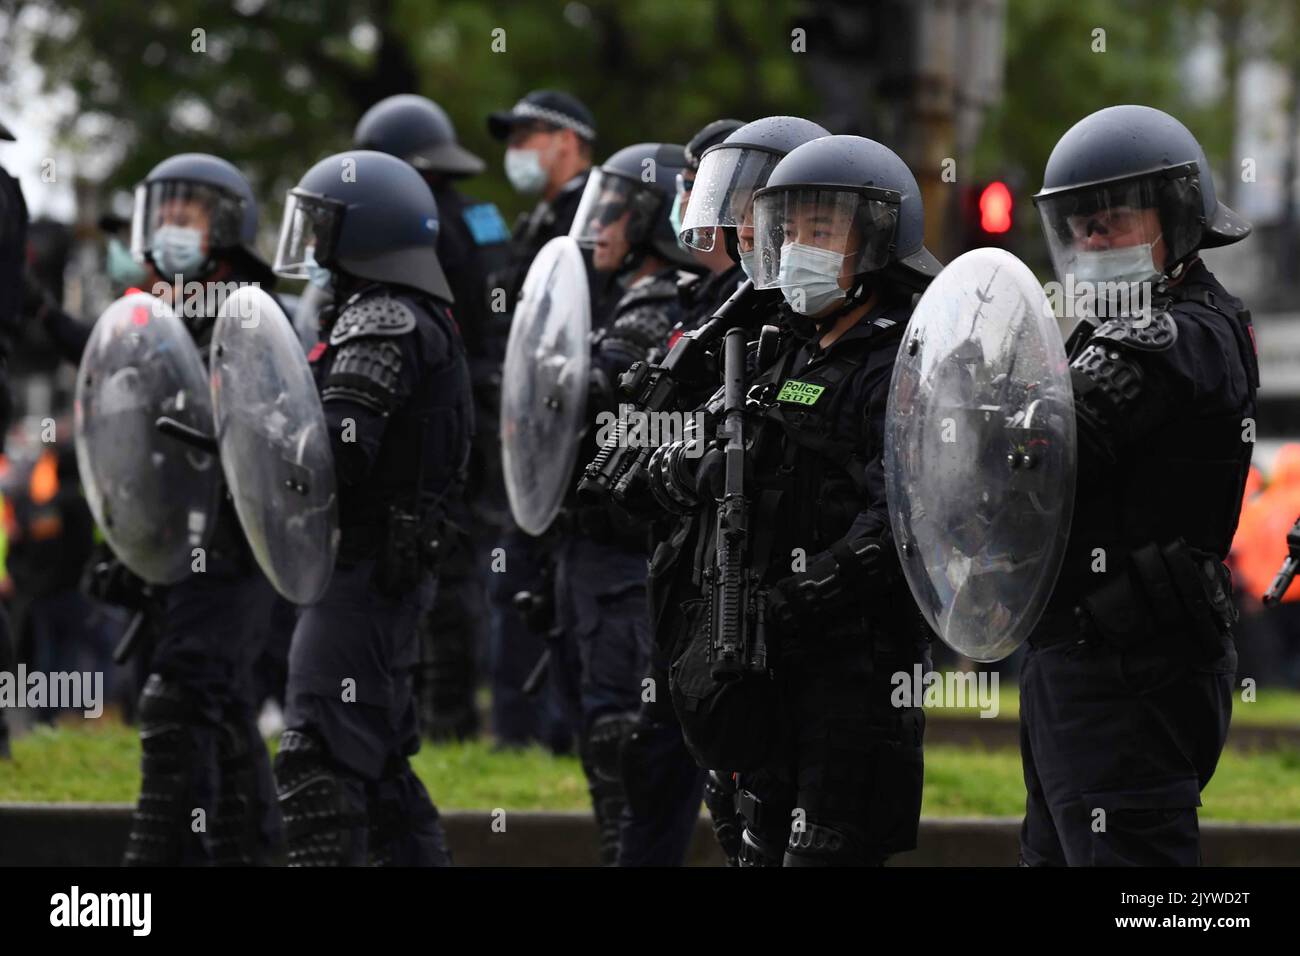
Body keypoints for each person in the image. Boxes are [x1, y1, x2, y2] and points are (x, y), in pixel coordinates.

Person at [642, 134, 942, 866]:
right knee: (754, 847)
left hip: (854, 672)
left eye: (823, 229)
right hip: (766, 664)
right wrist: (688, 470)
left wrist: (801, 597)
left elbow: (906, 516)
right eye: (793, 228)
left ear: (874, 239)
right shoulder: (777, 348)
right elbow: (685, 462)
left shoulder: (904, 359)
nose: (802, 246)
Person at [1023, 104, 1257, 866]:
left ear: (1178, 217)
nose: (1094, 241)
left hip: (1134, 673)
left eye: (1114, 220)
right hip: (1076, 659)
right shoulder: (1104, 326)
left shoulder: (1188, 330)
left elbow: (1063, 433)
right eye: (1081, 226)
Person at [616, 116, 838, 866]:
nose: (743, 231)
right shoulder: (734, 317)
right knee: (735, 820)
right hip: (708, 595)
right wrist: (685, 467)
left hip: (802, 625)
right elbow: (643, 462)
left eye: (760, 210)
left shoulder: (831, 329)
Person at [270, 149, 473, 866]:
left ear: (363, 233)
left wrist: (254, 431)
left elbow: (335, 453)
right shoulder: (399, 311)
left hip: (363, 573)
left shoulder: (383, 319)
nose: (311, 242)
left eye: (321, 225)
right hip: (378, 571)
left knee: (316, 760)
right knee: (379, 769)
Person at [120, 153, 282, 866]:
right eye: (161, 212)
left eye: (183, 216)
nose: (167, 228)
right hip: (173, 546)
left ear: (225, 227)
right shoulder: (158, 311)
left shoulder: (249, 315)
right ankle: (250, 857)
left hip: (230, 549)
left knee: (179, 703)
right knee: (224, 715)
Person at [559, 140, 701, 863]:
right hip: (594, 546)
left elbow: (596, 407)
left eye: (615, 211)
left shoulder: (655, 309)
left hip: (622, 554)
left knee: (622, 737)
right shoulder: (618, 299)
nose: (598, 227)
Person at [355, 93, 511, 742]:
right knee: (461, 565)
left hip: (436, 407)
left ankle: (438, 718)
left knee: (437, 567)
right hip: (483, 404)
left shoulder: (419, 229)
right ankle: (450, 717)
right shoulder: (485, 217)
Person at [482, 89, 597, 751]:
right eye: (513, 136)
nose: (518, 150)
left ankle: (543, 735)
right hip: (527, 429)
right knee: (519, 584)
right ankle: (523, 733)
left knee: (537, 587)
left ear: (569, 141)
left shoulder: (586, 216)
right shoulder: (542, 217)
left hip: (559, 434)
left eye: (531, 135)